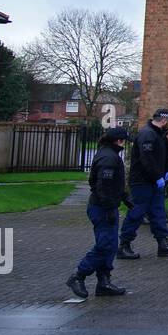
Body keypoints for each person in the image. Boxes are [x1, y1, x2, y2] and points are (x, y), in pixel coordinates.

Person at [66, 127, 132, 298]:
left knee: (109, 246)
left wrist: (125, 198)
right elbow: (103, 186)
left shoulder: (106, 154)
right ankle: (79, 275)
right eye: (124, 141)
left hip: (103, 206)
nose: (125, 144)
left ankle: (104, 282)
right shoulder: (109, 158)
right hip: (102, 208)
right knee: (106, 245)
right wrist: (110, 207)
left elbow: (108, 184)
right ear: (119, 141)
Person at [118, 109, 168, 259]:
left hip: (153, 181)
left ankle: (163, 243)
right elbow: (146, 159)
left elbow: (160, 157)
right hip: (142, 182)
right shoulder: (148, 134)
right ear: (164, 120)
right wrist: (157, 176)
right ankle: (124, 245)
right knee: (137, 213)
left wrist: (164, 172)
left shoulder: (157, 134)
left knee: (158, 213)